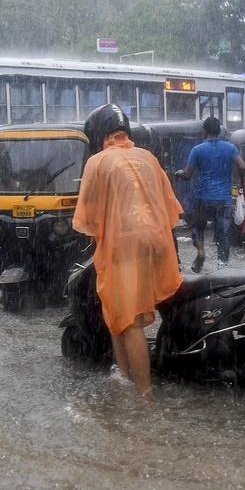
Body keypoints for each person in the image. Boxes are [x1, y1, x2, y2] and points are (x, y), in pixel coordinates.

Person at [73, 105, 183, 398]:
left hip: (125, 244)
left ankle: (145, 395)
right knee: (116, 312)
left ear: (99, 133)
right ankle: (122, 376)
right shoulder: (148, 157)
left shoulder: (97, 162)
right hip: (157, 241)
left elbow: (89, 216)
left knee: (130, 320)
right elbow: (170, 204)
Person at [175, 116, 245, 273]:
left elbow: (187, 174)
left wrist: (179, 173)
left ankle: (201, 252)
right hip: (224, 199)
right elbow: (242, 165)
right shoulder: (230, 148)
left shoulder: (198, 150)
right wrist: (239, 181)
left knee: (196, 228)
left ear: (204, 131)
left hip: (203, 198)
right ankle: (222, 265)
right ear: (219, 131)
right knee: (223, 232)